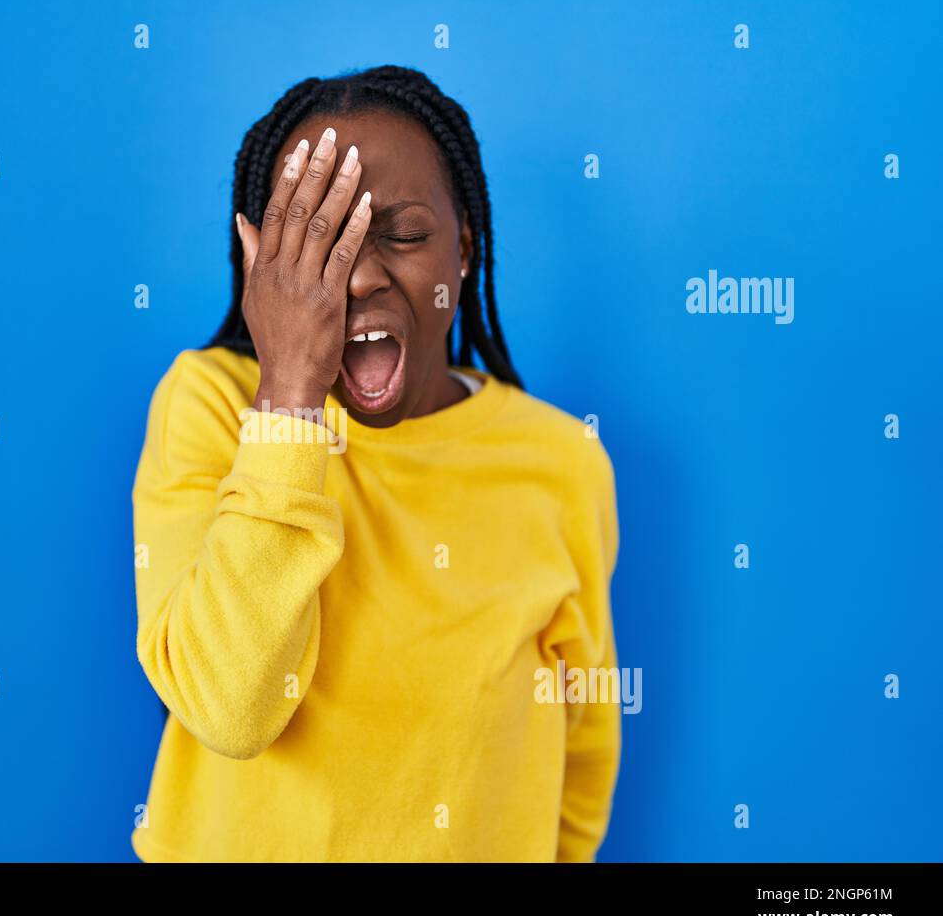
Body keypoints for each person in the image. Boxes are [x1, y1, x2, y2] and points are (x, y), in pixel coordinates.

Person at [131, 65, 621, 862]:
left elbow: (584, 742)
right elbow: (228, 710)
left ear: (464, 251)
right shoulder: (211, 408)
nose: (357, 275)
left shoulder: (561, 462)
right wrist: (287, 397)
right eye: (315, 244)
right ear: (261, 272)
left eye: (404, 233)